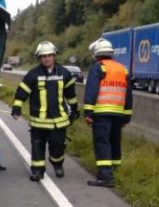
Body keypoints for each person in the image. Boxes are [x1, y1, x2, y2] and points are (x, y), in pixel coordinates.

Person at [11, 41, 79, 181]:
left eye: (49, 55)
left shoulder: (64, 74)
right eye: (43, 56)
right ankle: (37, 170)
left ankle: (57, 163)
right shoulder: (33, 74)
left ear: (54, 56)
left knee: (57, 147)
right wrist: (16, 108)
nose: (47, 58)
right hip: (38, 121)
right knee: (37, 146)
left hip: (58, 121)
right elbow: (22, 92)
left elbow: (71, 95)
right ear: (39, 58)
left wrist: (74, 111)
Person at [83, 38, 132, 188]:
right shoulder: (122, 69)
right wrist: (127, 116)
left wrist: (88, 112)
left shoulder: (98, 68)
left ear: (97, 54)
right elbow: (128, 94)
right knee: (115, 142)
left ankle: (105, 177)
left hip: (101, 113)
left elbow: (91, 90)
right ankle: (115, 171)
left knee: (102, 142)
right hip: (118, 114)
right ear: (111, 53)